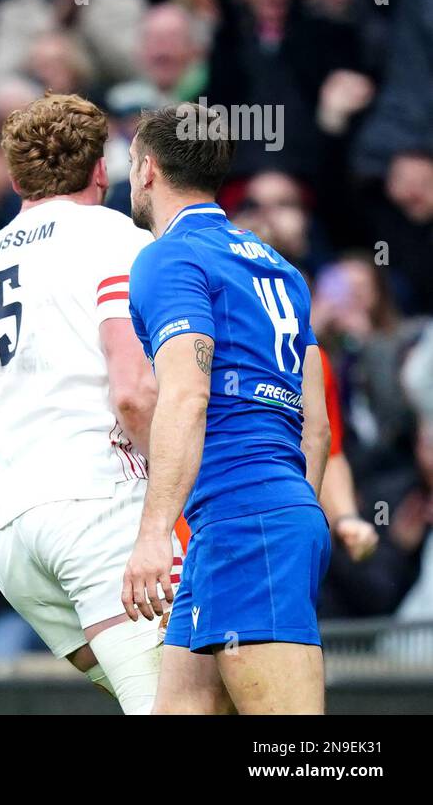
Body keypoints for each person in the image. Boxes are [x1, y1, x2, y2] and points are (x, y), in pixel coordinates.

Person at [0, 92, 175, 714]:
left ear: (15, 179)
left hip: (8, 538)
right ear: (103, 169)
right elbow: (134, 392)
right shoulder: (117, 239)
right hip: (101, 512)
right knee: (179, 703)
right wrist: (178, 510)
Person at [122, 102, 332, 715]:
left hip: (245, 521)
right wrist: (299, 520)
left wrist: (154, 534)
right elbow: (314, 427)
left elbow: (187, 393)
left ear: (148, 169)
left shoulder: (167, 259)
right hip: (264, 514)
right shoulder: (282, 269)